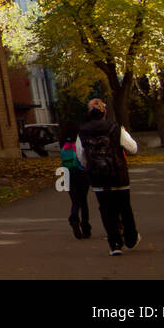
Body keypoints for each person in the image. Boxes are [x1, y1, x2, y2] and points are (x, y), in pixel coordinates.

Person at [76, 98, 140, 255]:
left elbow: (81, 156)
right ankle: (130, 238)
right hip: (118, 175)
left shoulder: (82, 132)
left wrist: (90, 166)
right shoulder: (115, 128)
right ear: (104, 113)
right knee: (124, 207)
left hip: (98, 177)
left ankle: (115, 244)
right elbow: (133, 148)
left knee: (106, 210)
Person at [59, 120, 91, 239]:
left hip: (67, 173)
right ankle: (85, 227)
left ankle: (74, 217)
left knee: (74, 200)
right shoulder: (79, 140)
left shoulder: (62, 141)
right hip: (80, 172)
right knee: (83, 200)